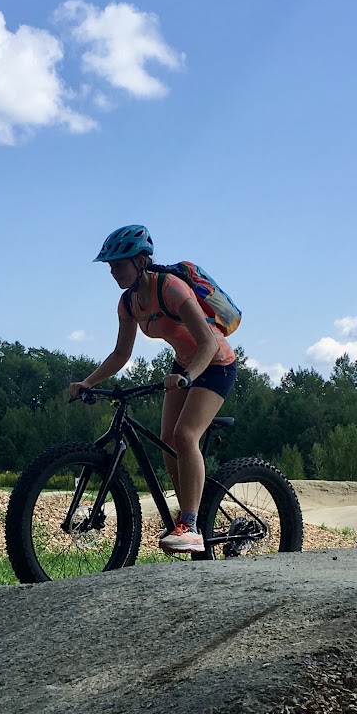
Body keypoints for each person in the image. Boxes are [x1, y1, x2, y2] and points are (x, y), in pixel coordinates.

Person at [67, 224, 238, 554]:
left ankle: (190, 525)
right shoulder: (128, 302)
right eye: (110, 266)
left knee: (185, 435)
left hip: (215, 363)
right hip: (184, 365)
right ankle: (188, 518)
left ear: (141, 261)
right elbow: (121, 353)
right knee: (167, 442)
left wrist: (187, 377)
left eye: (119, 264)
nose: (114, 272)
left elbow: (206, 342)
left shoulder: (171, 288)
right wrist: (89, 382)